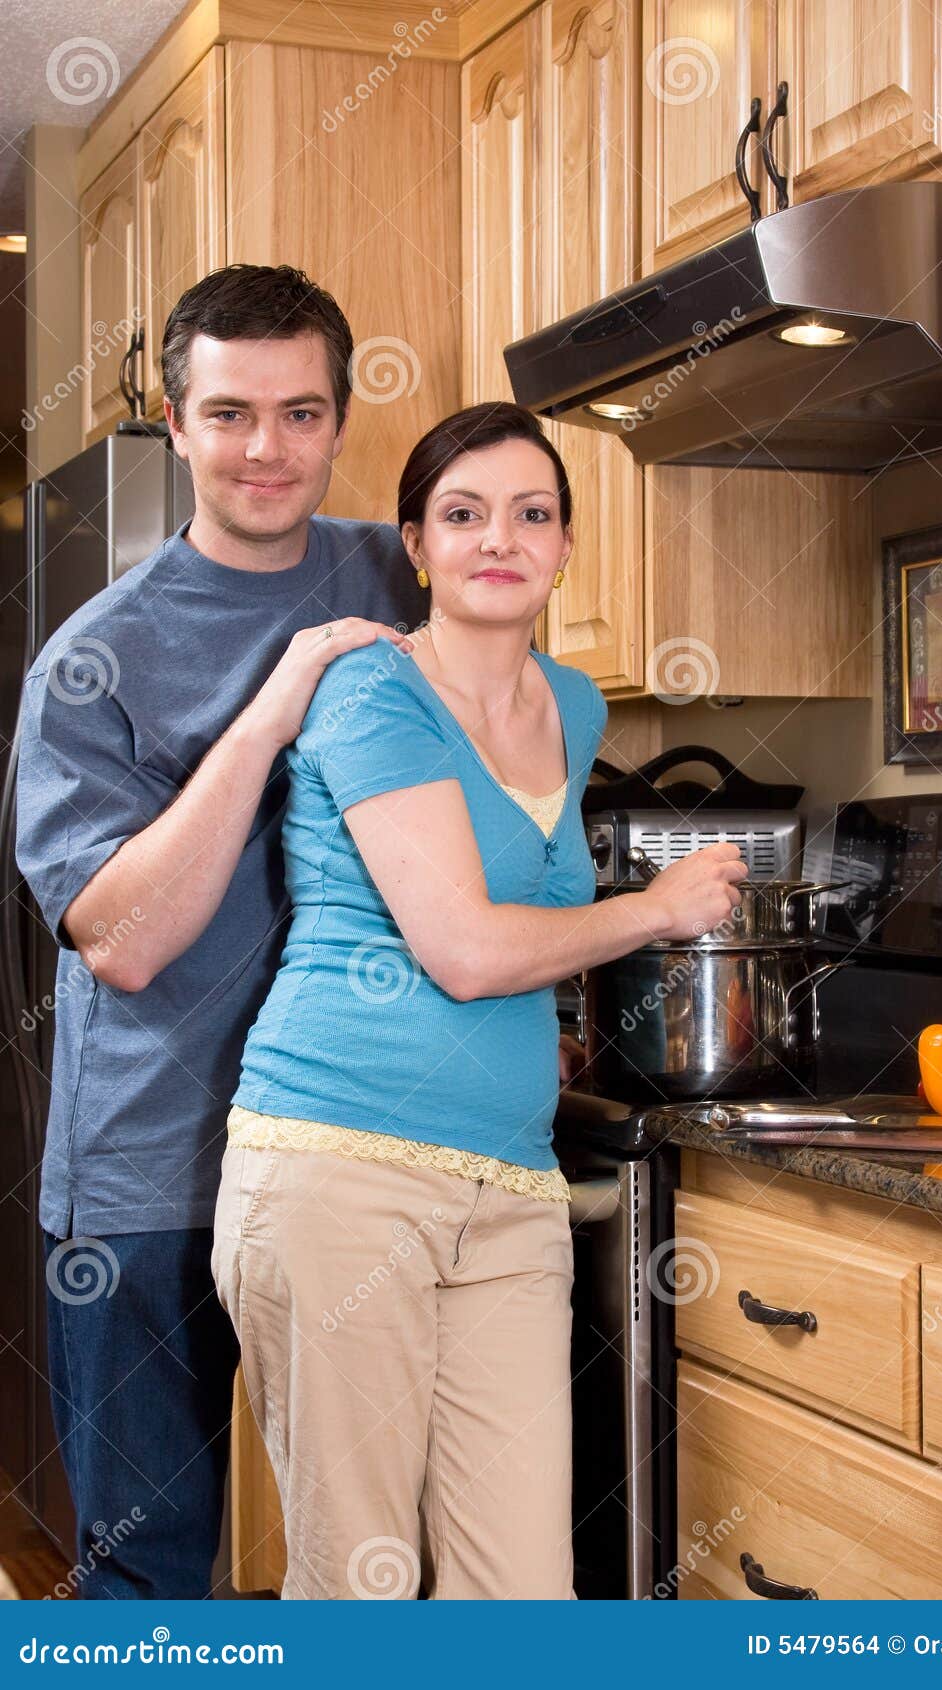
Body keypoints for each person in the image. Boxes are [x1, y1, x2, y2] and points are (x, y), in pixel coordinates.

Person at [211, 402, 748, 1600]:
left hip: (505, 1188)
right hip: (338, 1171)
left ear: (564, 548)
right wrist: (655, 910)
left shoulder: (576, 704)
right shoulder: (368, 693)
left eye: (530, 513)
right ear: (416, 544)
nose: (496, 538)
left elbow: (516, 918)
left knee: (520, 1593)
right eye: (461, 514)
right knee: (358, 1582)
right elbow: (460, 947)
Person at [14, 264, 430, 1597]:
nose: (267, 448)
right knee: (149, 1574)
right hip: (151, 1180)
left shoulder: (397, 567)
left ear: (338, 420)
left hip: (356, 1154)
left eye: (300, 413)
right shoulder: (95, 659)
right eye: (233, 413)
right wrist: (277, 699)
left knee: (376, 1554)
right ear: (178, 426)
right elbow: (125, 939)